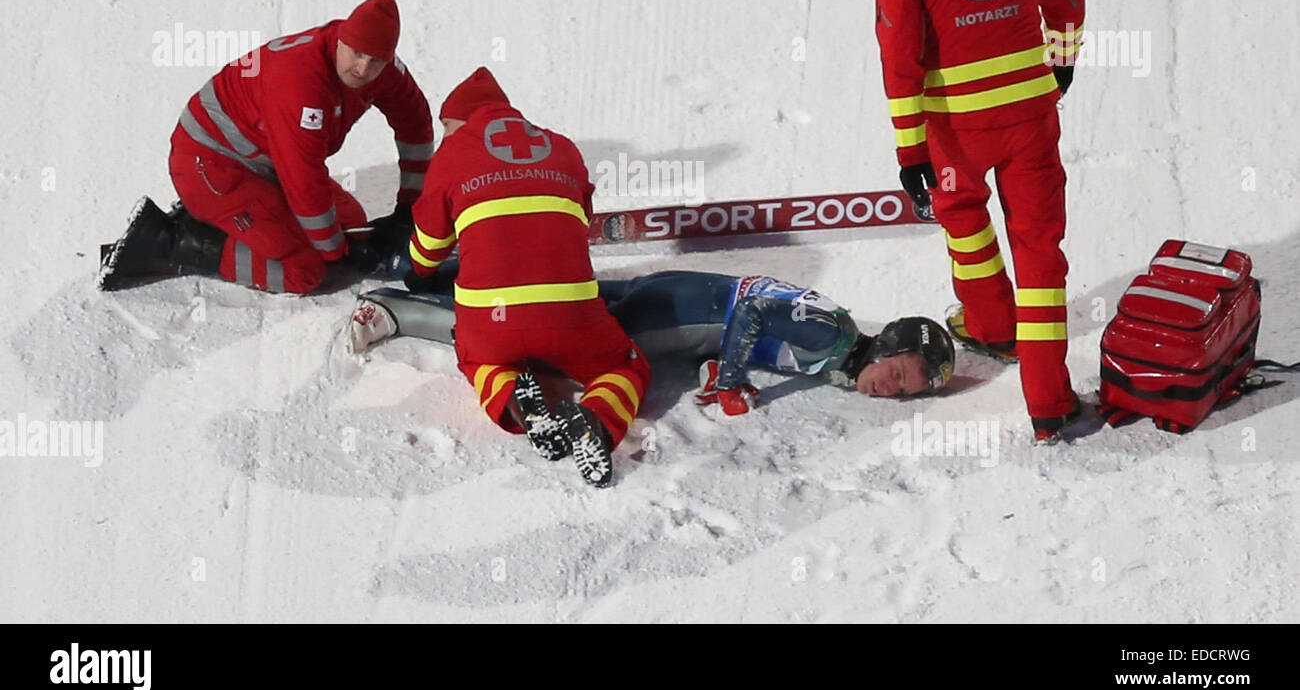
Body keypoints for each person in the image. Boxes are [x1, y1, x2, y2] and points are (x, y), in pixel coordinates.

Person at [873, 0, 1086, 443]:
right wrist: (1062, 58)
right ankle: (1050, 405)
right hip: (1029, 119)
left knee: (965, 222)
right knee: (1041, 253)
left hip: (955, 129)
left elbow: (899, 57)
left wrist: (911, 149)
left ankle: (993, 329)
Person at [402, 67, 650, 488]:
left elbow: (429, 245)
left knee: (478, 358)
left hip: (491, 319)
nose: (445, 135)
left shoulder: (453, 154)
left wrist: (420, 272)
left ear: (462, 119)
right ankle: (599, 421)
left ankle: (514, 398)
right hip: (571, 314)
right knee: (624, 367)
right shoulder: (564, 147)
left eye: (446, 125)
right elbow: (581, 219)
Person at [98, 0, 434, 294]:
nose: (363, 68)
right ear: (341, 39)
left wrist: (410, 207)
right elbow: (302, 179)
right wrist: (334, 252)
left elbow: (416, 127)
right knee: (305, 269)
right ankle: (172, 243)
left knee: (349, 222)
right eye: (357, 53)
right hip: (207, 164)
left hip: (261, 162)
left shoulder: (387, 72)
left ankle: (222, 216)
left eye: (375, 60)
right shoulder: (303, 82)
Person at [347, 267, 956, 414]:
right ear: (888, 346)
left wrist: (721, 361)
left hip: (671, 297)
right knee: (538, 342)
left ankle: (446, 269)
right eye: (900, 373)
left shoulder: (835, 335)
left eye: (906, 392)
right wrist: (734, 375)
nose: (890, 390)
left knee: (552, 293)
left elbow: (753, 316)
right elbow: (751, 307)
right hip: (672, 314)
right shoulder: (832, 337)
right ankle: (397, 312)